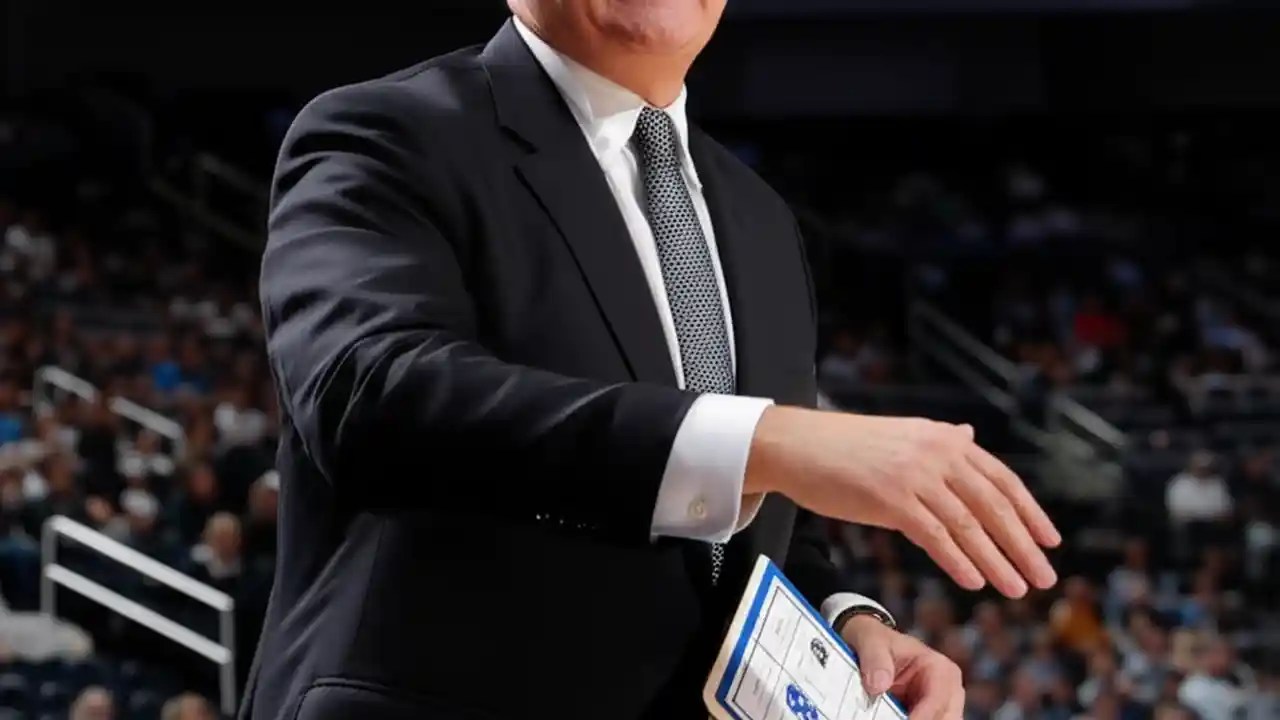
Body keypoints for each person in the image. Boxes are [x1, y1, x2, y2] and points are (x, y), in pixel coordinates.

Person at [245, 2, 1061, 718]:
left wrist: (845, 624)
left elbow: (750, 504)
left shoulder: (761, 217)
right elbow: (370, 395)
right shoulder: (387, 133)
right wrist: (772, 441)